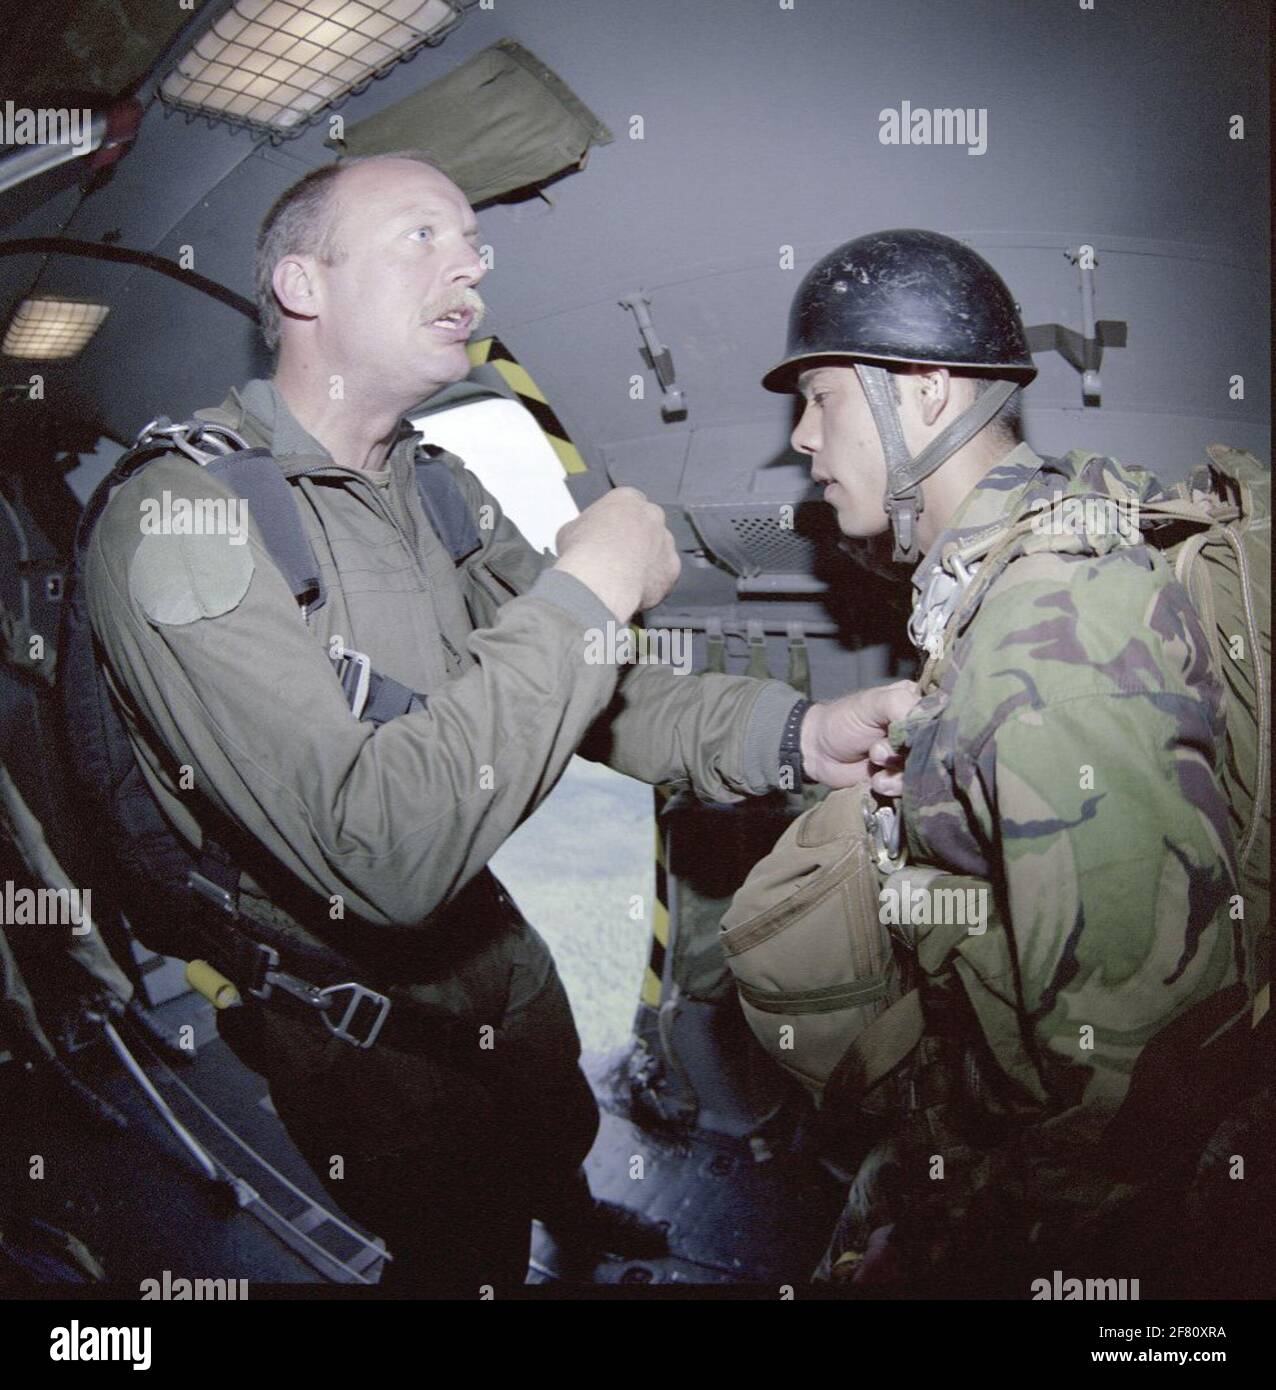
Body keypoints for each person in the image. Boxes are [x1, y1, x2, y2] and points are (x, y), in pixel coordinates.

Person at [80, 152, 916, 1294]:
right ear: (301, 286)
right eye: (422, 234)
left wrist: (793, 734)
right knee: (455, 1243)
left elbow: (592, 688)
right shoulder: (182, 520)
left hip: (488, 948)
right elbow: (377, 852)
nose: (471, 261)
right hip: (349, 1012)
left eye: (473, 240)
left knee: (552, 1123)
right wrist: (593, 585)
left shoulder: (431, 483)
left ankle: (569, 1218)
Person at [759, 228, 1260, 1295]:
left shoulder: (1051, 636)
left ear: (928, 393)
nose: (802, 439)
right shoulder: (1000, 570)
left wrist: (984, 1249)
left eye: (821, 399)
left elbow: (1139, 1076)